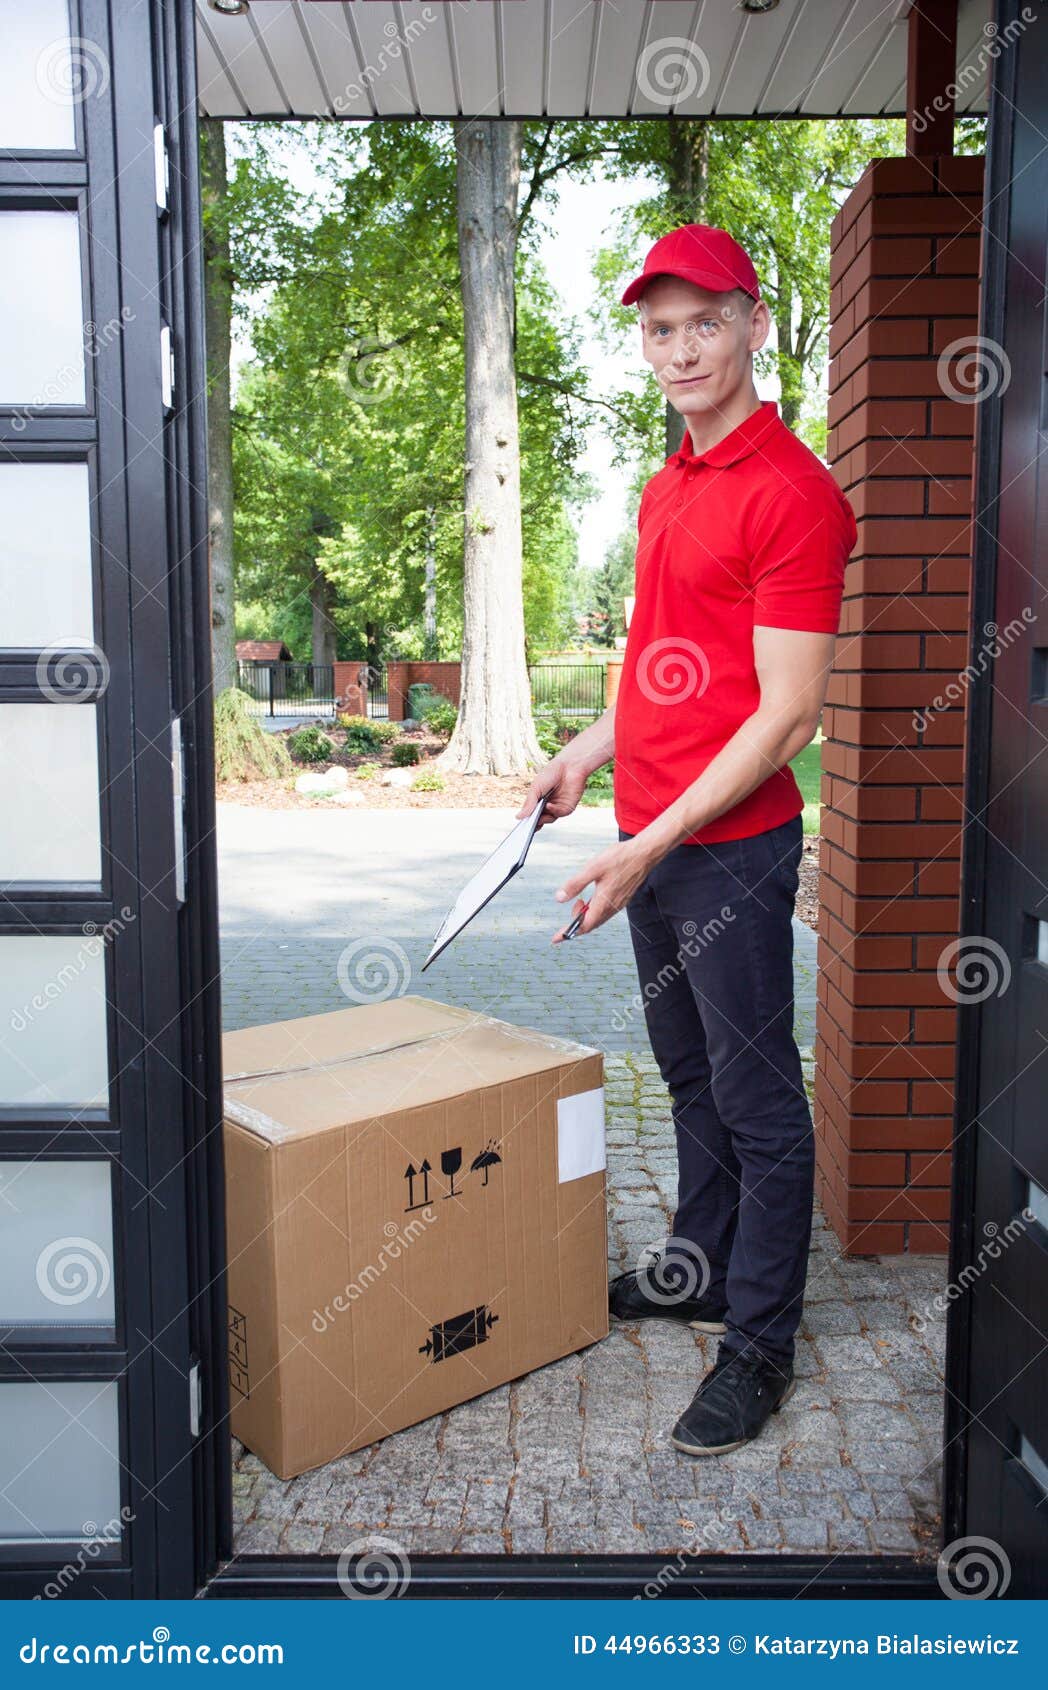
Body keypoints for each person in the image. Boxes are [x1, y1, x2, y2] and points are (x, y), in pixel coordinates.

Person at [517, 224, 857, 1457]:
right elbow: (663, 675)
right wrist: (580, 757)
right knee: (691, 1078)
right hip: (647, 838)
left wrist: (652, 845)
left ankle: (758, 1342)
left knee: (762, 1102)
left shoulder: (796, 494)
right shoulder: (667, 483)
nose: (679, 348)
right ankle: (699, 1268)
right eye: (658, 329)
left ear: (755, 323)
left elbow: (788, 714)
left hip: (725, 849)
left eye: (703, 321)